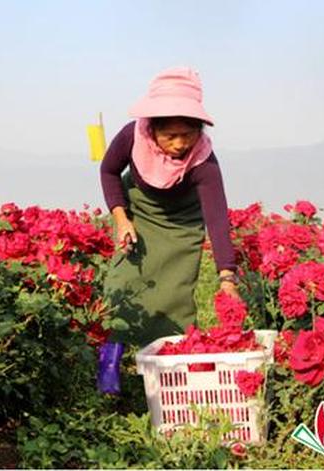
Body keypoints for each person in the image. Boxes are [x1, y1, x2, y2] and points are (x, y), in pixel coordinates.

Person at [97, 67, 240, 393]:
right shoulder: (132, 137)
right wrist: (121, 218)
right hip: (139, 214)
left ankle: (172, 377)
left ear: (199, 130)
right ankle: (110, 362)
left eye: (186, 135)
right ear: (152, 128)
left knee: (175, 298)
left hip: (182, 226)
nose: (179, 144)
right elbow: (107, 171)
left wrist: (227, 277)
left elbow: (217, 217)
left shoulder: (204, 160)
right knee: (122, 282)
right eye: (169, 135)